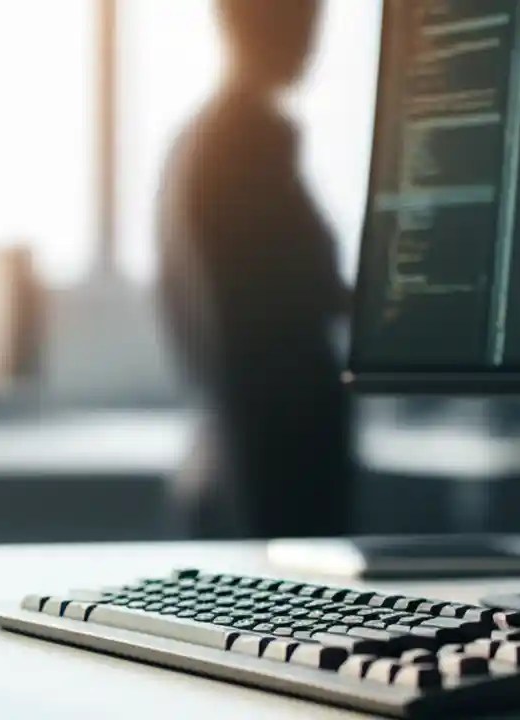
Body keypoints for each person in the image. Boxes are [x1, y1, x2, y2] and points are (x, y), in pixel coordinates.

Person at [157, 0, 351, 538]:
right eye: (302, 23)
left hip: (229, 448)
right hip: (276, 454)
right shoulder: (250, 141)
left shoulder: (195, 142)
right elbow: (305, 288)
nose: (312, 44)